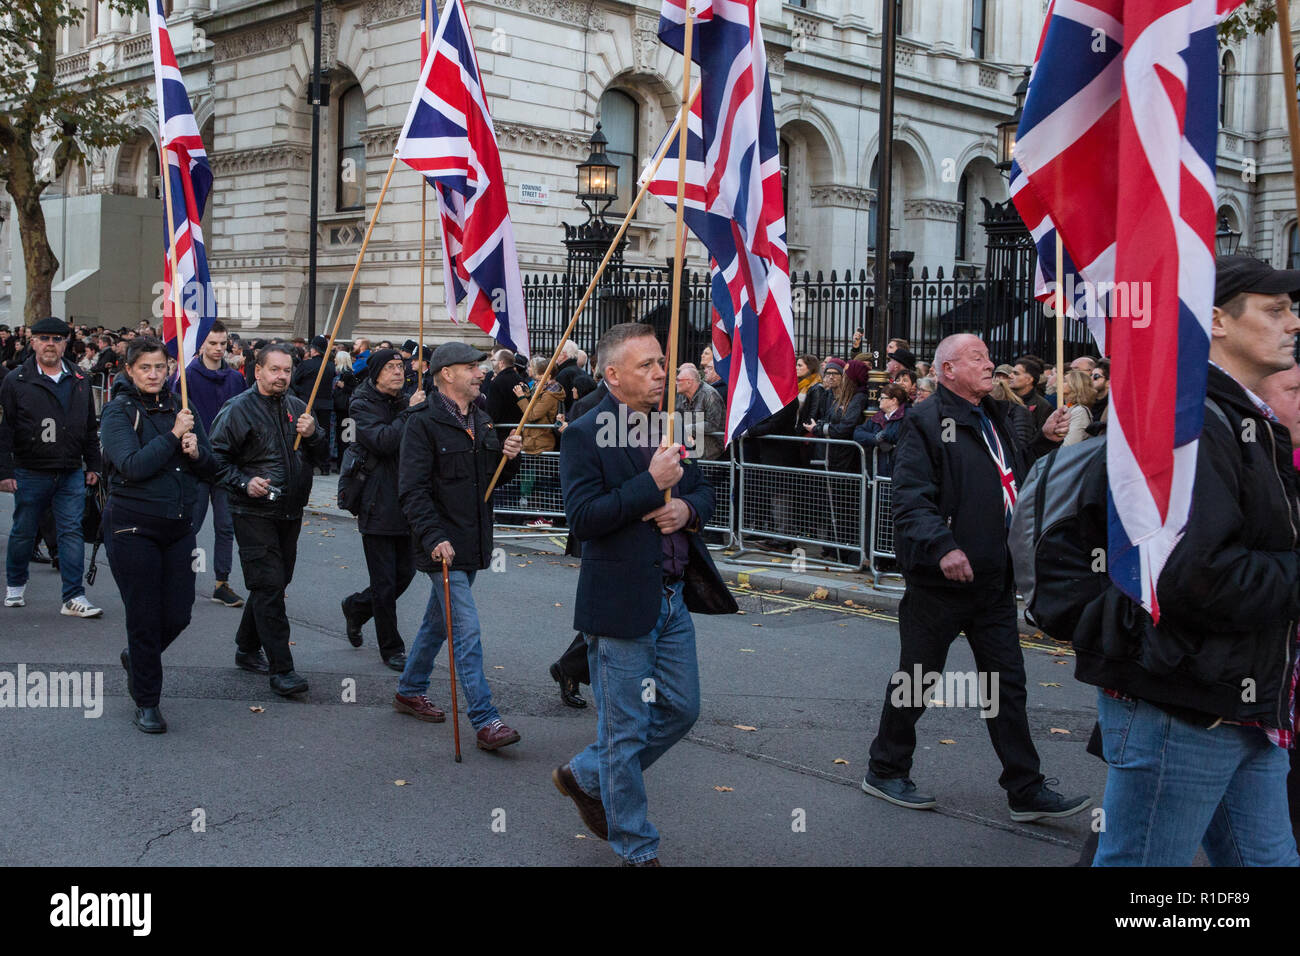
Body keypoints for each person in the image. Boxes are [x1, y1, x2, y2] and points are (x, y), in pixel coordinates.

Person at [1075, 256, 1300, 866]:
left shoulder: (1244, 418)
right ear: (1216, 321)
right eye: (1275, 310)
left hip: (1242, 701)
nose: (1293, 324)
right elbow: (1193, 578)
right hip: (1184, 704)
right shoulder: (1192, 423)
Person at [863, 333, 1091, 821]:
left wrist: (1044, 439)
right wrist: (943, 547)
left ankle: (1024, 788)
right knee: (918, 679)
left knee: (1007, 684)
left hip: (992, 579)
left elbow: (1015, 479)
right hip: (940, 583)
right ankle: (885, 768)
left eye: (989, 357)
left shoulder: (1000, 416)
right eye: (977, 358)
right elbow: (909, 499)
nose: (991, 365)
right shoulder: (925, 422)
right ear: (948, 370)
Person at [553, 322, 737, 865]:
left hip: (675, 597)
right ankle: (636, 845)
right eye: (647, 365)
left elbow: (703, 490)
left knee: (681, 710)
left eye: (661, 362)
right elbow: (583, 520)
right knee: (626, 729)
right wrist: (650, 483)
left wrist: (687, 509)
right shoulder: (585, 433)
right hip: (618, 604)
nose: (660, 373)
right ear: (612, 375)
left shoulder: (674, 423)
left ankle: (587, 773)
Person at [395, 341, 524, 749]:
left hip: (471, 543)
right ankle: (486, 719)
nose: (480, 372)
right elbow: (412, 490)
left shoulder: (481, 419)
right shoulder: (421, 423)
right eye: (471, 366)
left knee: (438, 622)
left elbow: (489, 483)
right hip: (441, 546)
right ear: (447, 374)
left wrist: (510, 457)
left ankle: (409, 688)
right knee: (466, 629)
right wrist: (434, 537)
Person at [100, 337, 218, 733]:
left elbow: (211, 465)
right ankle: (147, 701)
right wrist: (171, 436)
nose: (153, 374)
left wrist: (196, 451)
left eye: (160, 367)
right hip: (133, 527)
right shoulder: (119, 411)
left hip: (178, 526)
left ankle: (138, 658)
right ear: (129, 371)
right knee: (145, 617)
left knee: (180, 613)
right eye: (145, 368)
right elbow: (132, 465)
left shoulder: (181, 407)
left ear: (169, 370)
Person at [210, 344, 329, 697]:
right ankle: (282, 669)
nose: (282, 377)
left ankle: (247, 646)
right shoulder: (238, 410)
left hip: (290, 512)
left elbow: (323, 457)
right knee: (269, 587)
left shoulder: (297, 409)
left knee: (272, 585)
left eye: (287, 370)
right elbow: (215, 459)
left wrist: (314, 435)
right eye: (274, 370)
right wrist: (245, 482)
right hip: (253, 512)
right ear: (257, 370)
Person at [0, 316, 103, 617]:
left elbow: (89, 426)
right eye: (43, 338)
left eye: (56, 339)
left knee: (70, 530)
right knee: (23, 530)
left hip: (70, 469)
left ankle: (74, 596)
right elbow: (5, 430)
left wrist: (93, 465)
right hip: (30, 469)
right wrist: (4, 472)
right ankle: (16, 585)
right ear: (32, 342)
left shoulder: (80, 380)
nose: (50, 344)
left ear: (65, 343)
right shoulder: (15, 380)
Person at [339, 349, 424, 672]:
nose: (397, 372)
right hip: (376, 500)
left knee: (405, 574)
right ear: (375, 374)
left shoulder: (407, 400)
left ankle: (357, 606)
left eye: (400, 367)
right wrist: (410, 413)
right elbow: (384, 441)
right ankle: (392, 648)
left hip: (407, 500)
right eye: (389, 367)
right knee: (385, 582)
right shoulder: (361, 404)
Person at [176, 319, 247, 608]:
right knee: (190, 525)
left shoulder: (235, 379)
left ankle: (222, 582)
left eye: (222, 343)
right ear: (202, 344)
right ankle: (181, 577)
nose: (218, 349)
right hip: (195, 463)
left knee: (225, 526)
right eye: (212, 343)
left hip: (227, 464)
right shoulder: (187, 377)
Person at [291, 335, 336, 470]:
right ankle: (324, 465)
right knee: (324, 434)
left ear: (314, 350)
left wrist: (303, 391)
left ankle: (309, 461)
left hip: (308, 403)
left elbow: (294, 382)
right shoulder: (330, 366)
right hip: (325, 405)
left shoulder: (306, 365)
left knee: (307, 432)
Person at [674, 362, 726, 460]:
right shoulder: (681, 396)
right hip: (690, 449)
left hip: (712, 451)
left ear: (689, 382)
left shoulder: (710, 395)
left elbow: (713, 425)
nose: (676, 383)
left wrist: (688, 428)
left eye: (678, 380)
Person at [854, 382, 907, 477]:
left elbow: (897, 434)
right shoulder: (878, 416)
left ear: (893, 400)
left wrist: (883, 436)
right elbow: (857, 433)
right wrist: (875, 438)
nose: (878, 400)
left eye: (882, 398)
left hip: (898, 470)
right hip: (878, 469)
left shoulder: (907, 415)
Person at [1059, 369, 1099, 446]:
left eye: (1065, 381)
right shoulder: (1067, 407)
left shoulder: (1080, 411)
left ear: (1075, 386)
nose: (1059, 383)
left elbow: (1070, 445)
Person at [485, 348, 524, 425]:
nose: (492, 363)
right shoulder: (520, 379)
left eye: (493, 360)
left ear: (501, 363)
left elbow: (492, 412)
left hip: (502, 430)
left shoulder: (497, 382)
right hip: (519, 427)